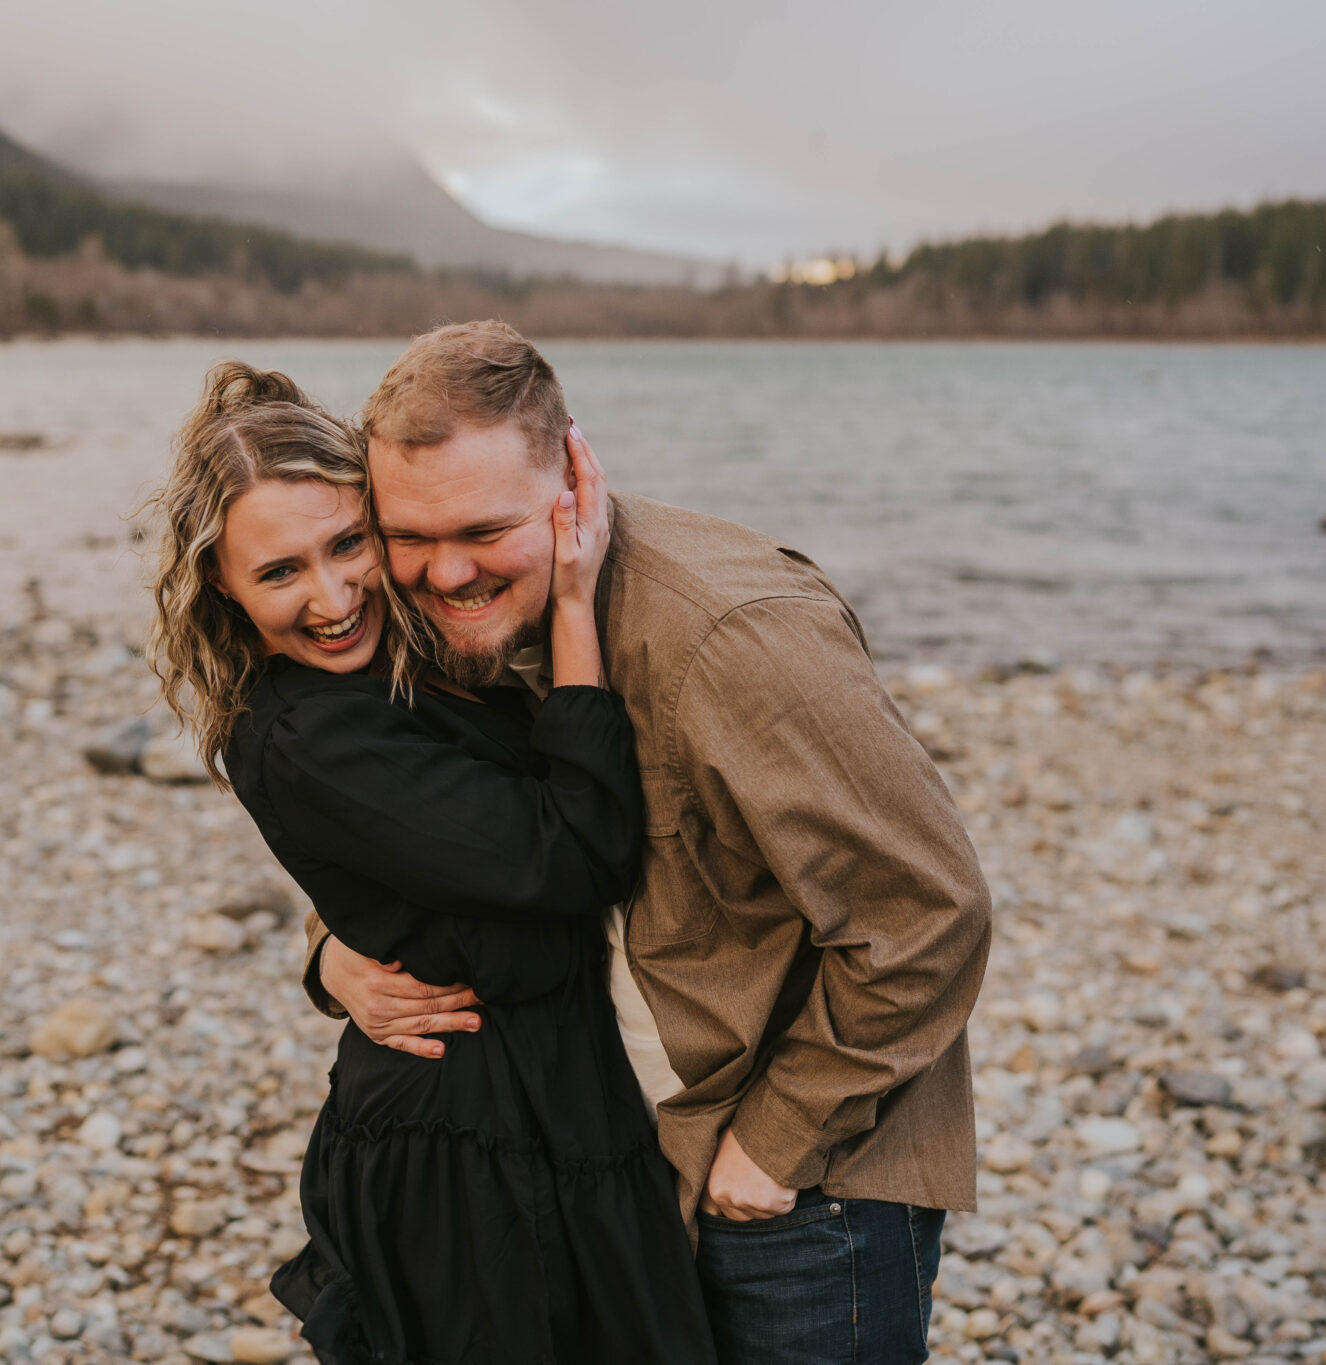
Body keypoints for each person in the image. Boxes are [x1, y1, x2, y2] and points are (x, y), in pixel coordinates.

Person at [307, 322, 994, 1365]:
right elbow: (407, 830)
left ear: (570, 480)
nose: (443, 575)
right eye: (408, 535)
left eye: (484, 530)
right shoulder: (447, 632)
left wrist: (774, 1144)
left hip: (804, 1189)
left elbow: (925, 915)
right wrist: (330, 950)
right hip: (617, 1166)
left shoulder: (732, 638)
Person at [145, 361, 716, 1365]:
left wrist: (326, 952)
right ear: (222, 590)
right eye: (279, 573)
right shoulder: (306, 738)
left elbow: (409, 872)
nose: (330, 598)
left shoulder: (414, 660)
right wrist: (575, 604)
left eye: (346, 544)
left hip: (554, 1098)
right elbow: (574, 856)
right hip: (466, 1147)